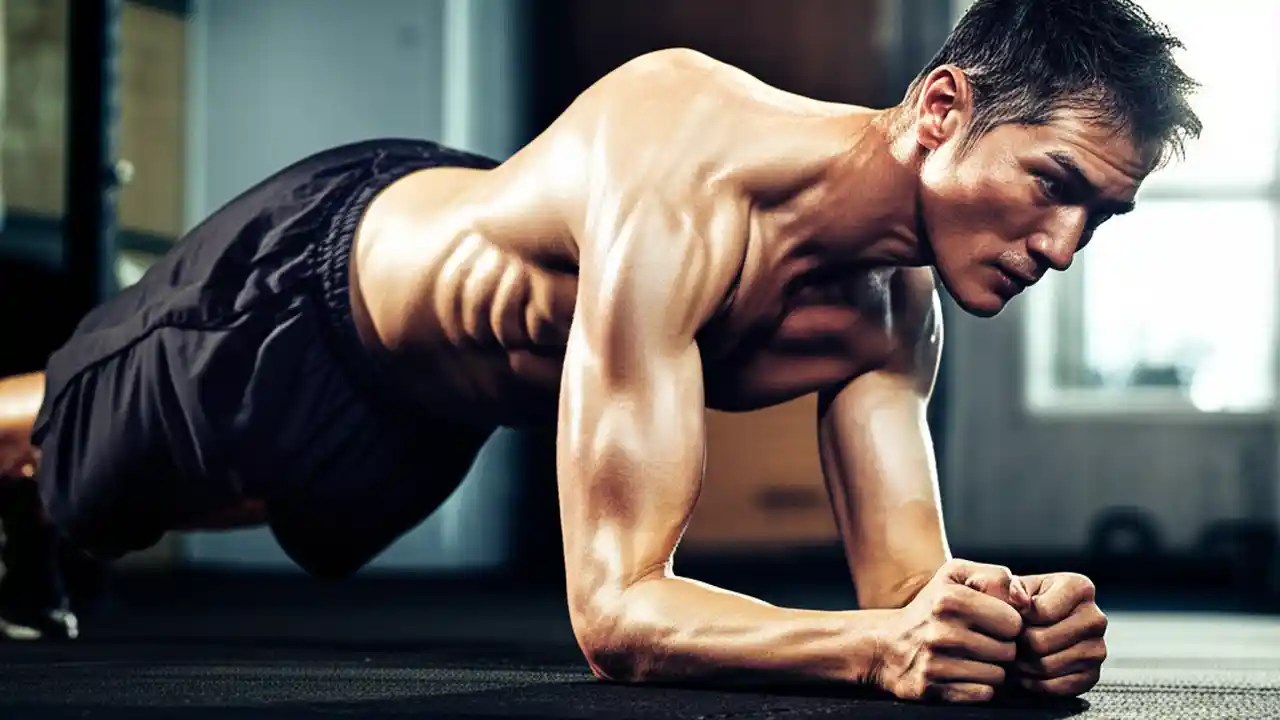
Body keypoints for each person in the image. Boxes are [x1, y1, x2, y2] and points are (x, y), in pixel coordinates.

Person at [0, 0, 1198, 704]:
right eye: (1053, 184)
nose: (1062, 245)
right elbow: (617, 616)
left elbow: (901, 597)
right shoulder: (684, 160)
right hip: (304, 296)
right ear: (940, 111)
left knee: (126, 510)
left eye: (1098, 216)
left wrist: (1006, 628)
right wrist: (876, 652)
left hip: (425, 424)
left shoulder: (891, 320)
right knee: (55, 446)